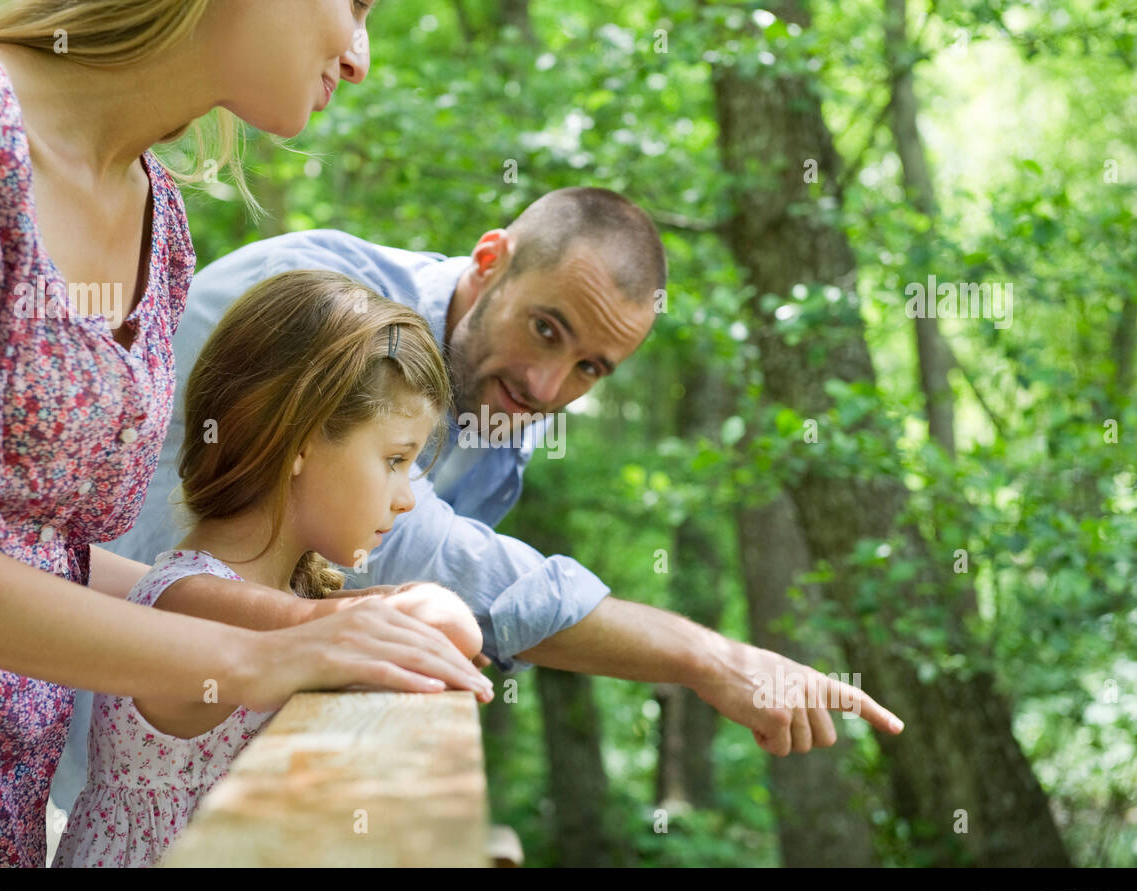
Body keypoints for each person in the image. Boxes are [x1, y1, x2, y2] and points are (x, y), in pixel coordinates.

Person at [0, 0, 489, 868]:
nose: (360, 58)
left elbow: (40, 554)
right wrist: (250, 656)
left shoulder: (159, 219)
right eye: (356, 4)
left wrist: (318, 621)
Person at [67, 188, 903, 816]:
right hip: (58, 744)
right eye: (546, 328)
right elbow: (442, 566)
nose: (547, 386)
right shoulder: (330, 310)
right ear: (491, 259)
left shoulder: (503, 409)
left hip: (220, 777)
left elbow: (412, 605)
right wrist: (711, 659)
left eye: (590, 369)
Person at [54, 271, 472, 867]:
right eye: (396, 459)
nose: (407, 497)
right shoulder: (197, 602)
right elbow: (449, 625)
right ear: (299, 443)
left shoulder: (284, 597)